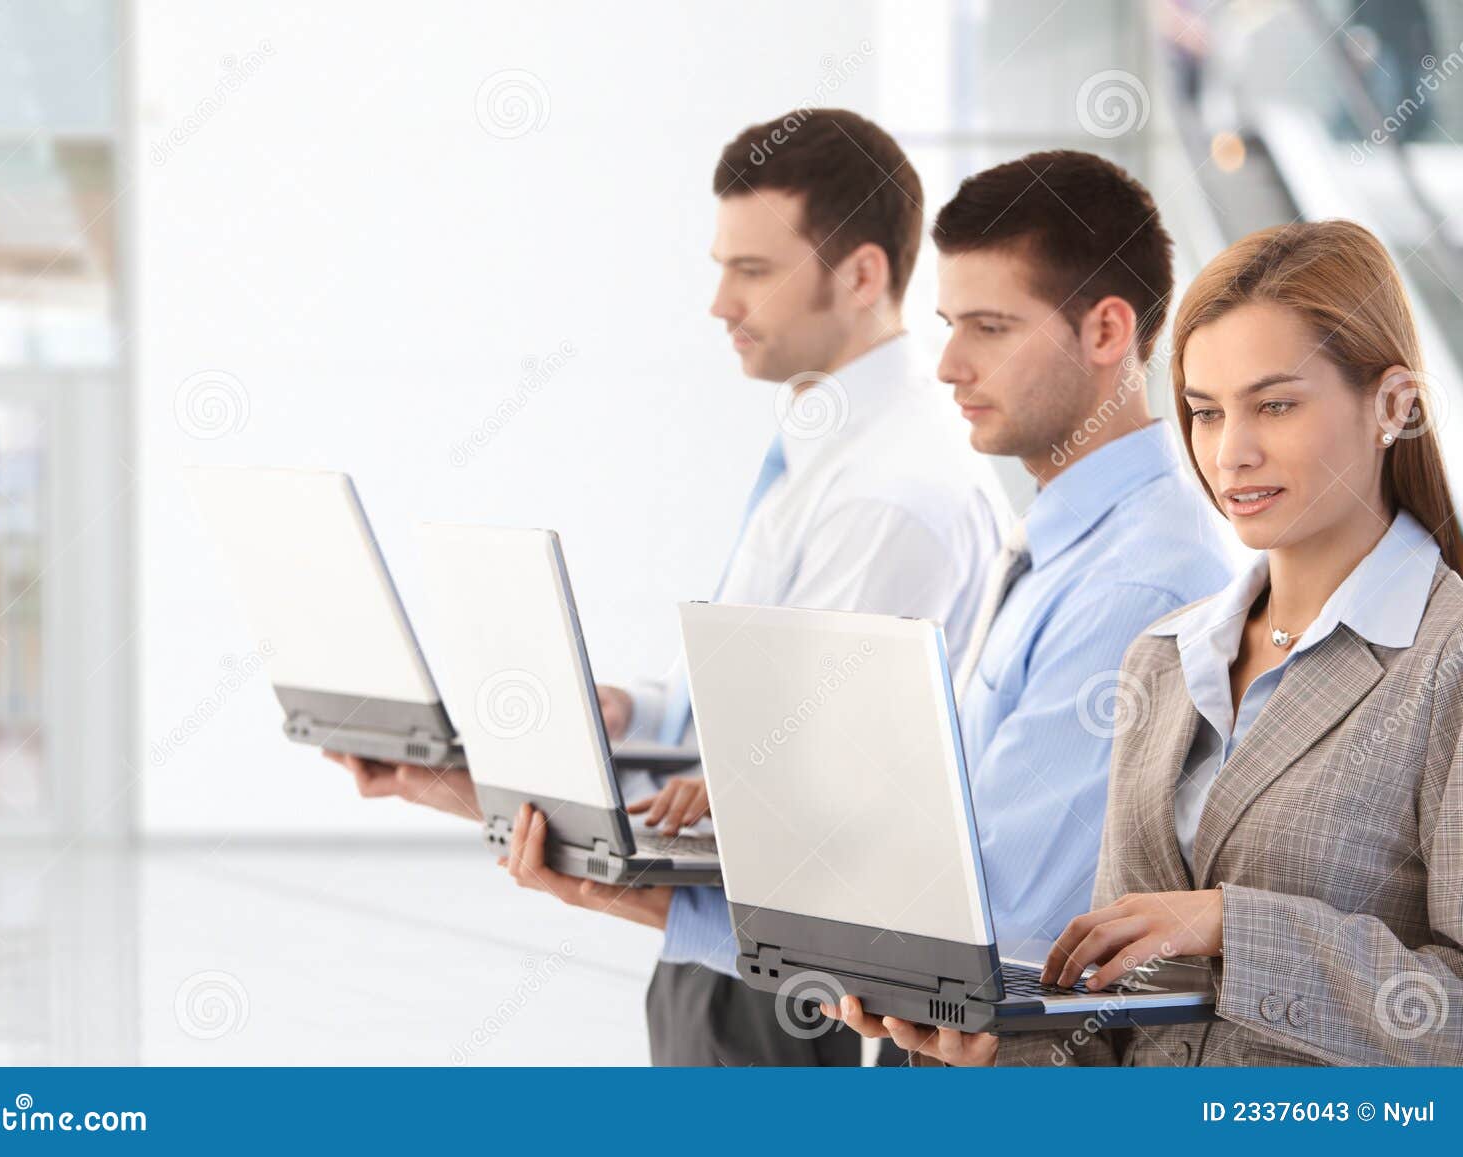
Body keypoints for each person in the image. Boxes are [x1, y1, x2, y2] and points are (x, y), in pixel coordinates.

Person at [509, 150, 1236, 1055]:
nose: (949, 365)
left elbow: (984, 916)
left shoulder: (1139, 584)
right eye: (948, 324)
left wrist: (632, 884)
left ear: (1105, 332)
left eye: (990, 327)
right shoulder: (1061, 541)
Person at [331, 108, 1008, 1066]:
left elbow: (807, 801)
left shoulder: (896, 494)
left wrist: (479, 792)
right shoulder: (827, 455)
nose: (720, 303)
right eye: (722, 265)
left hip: (798, 999)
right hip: (739, 977)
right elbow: (759, 737)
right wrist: (635, 714)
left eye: (754, 269)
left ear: (861, 274)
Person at [834, 219, 1463, 1066]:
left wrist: (1231, 925)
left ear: (1394, 404)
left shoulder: (1445, 661)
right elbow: (1118, 1025)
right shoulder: (1166, 657)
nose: (1230, 452)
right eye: (1206, 412)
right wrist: (996, 1051)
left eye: (1275, 404)